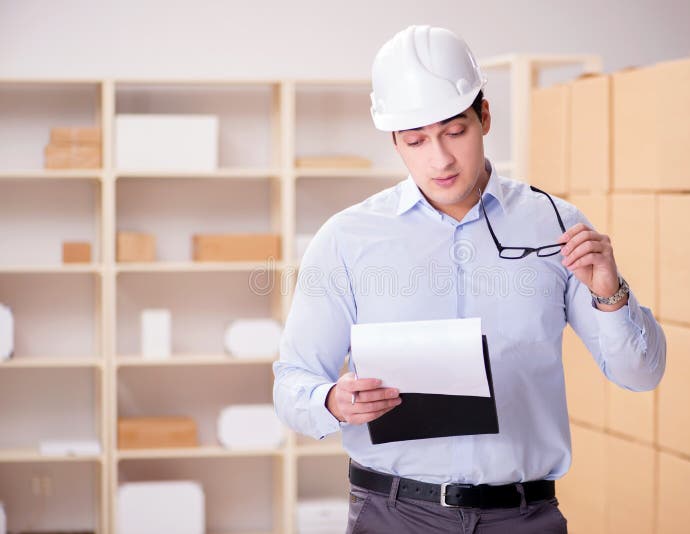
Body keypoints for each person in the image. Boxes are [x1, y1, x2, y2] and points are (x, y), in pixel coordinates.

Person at [274, 25, 666, 533]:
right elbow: (292, 385)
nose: (438, 159)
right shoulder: (347, 239)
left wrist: (609, 294)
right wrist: (331, 402)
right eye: (416, 141)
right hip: (393, 515)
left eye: (454, 132)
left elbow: (642, 374)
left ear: (483, 116)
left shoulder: (556, 224)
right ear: (395, 140)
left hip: (523, 517)